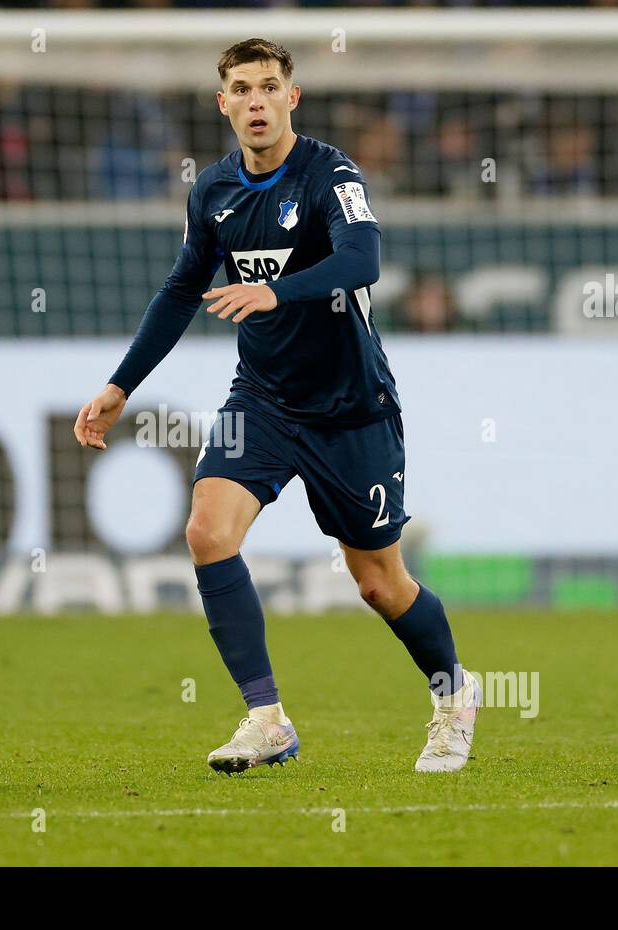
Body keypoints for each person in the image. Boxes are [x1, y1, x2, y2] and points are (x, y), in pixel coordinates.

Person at [73, 38, 480, 775]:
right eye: (241, 89)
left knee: (378, 582)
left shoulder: (331, 174)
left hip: (352, 407)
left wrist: (276, 289)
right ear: (222, 103)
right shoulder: (212, 193)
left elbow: (364, 260)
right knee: (205, 531)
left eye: (269, 87)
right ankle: (266, 718)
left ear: (292, 98)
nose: (256, 101)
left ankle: (454, 697)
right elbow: (178, 292)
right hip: (260, 399)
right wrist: (120, 385)